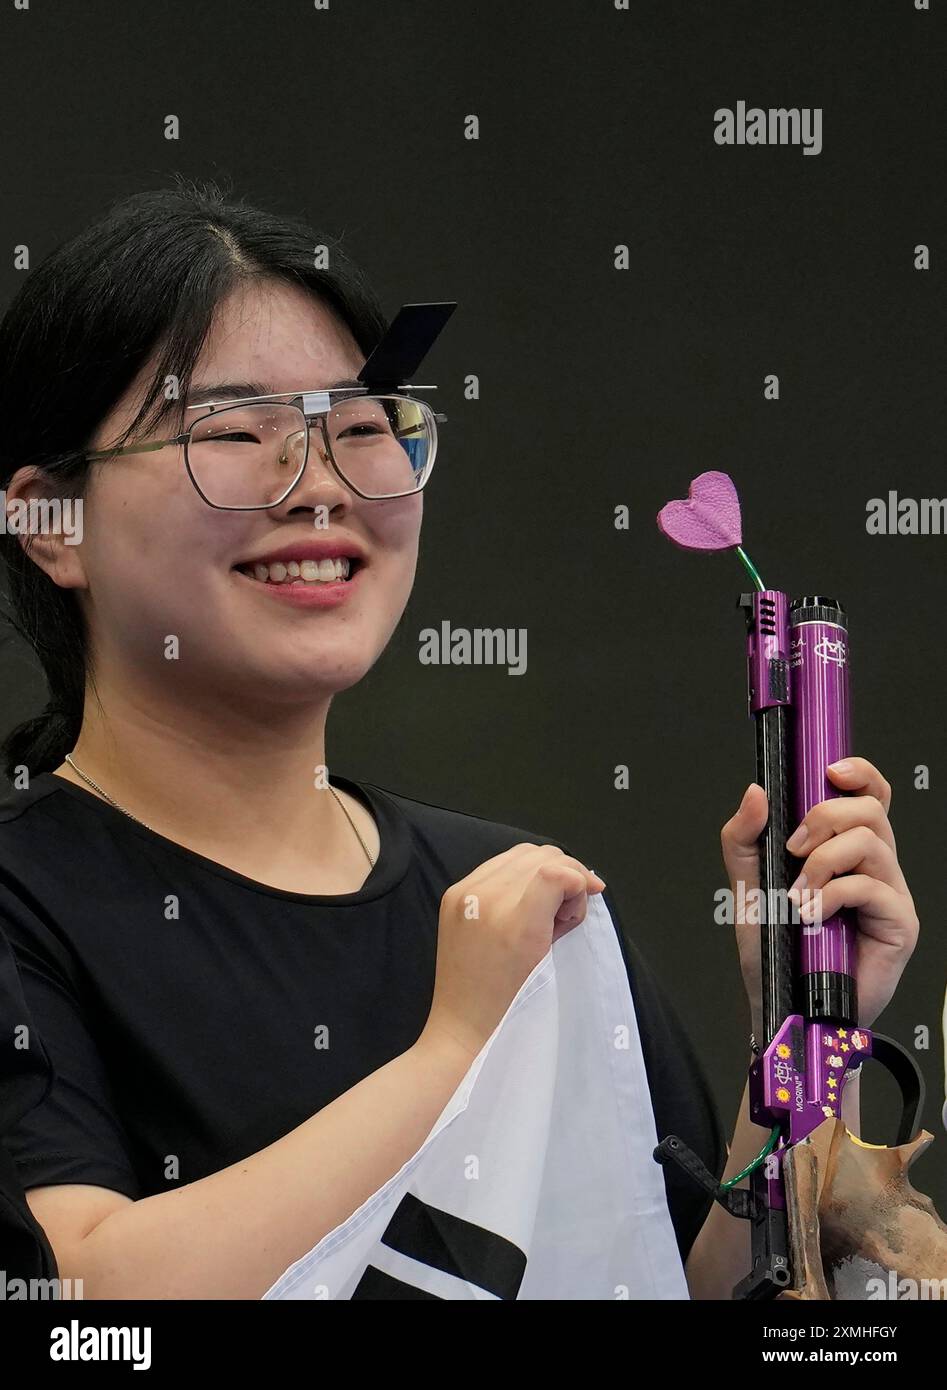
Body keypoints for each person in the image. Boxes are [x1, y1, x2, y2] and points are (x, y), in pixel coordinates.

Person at [0, 180, 920, 1300]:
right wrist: (449, 1053)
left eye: (361, 427)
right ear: (51, 522)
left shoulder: (517, 900)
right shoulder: (25, 898)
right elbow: (76, 1298)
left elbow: (675, 1283)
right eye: (234, 432)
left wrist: (804, 1034)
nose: (321, 486)